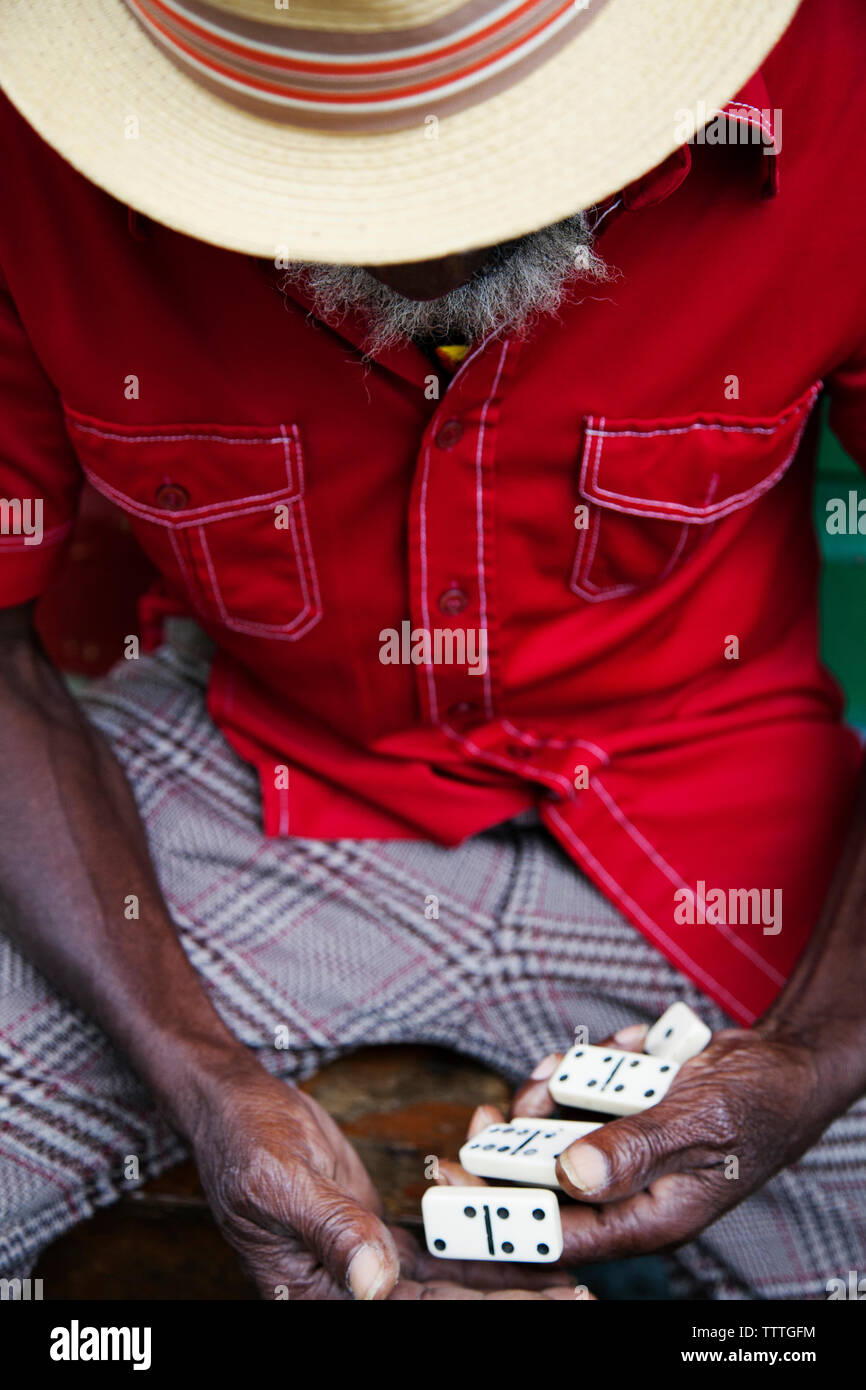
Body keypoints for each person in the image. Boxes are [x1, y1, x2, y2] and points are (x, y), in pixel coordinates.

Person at [0, 0, 864, 1301]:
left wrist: (821, 1046)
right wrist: (199, 1070)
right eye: (344, 165)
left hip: (719, 810)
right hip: (248, 779)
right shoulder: (35, 154)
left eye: (482, 156)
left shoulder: (841, 87)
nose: (426, 240)